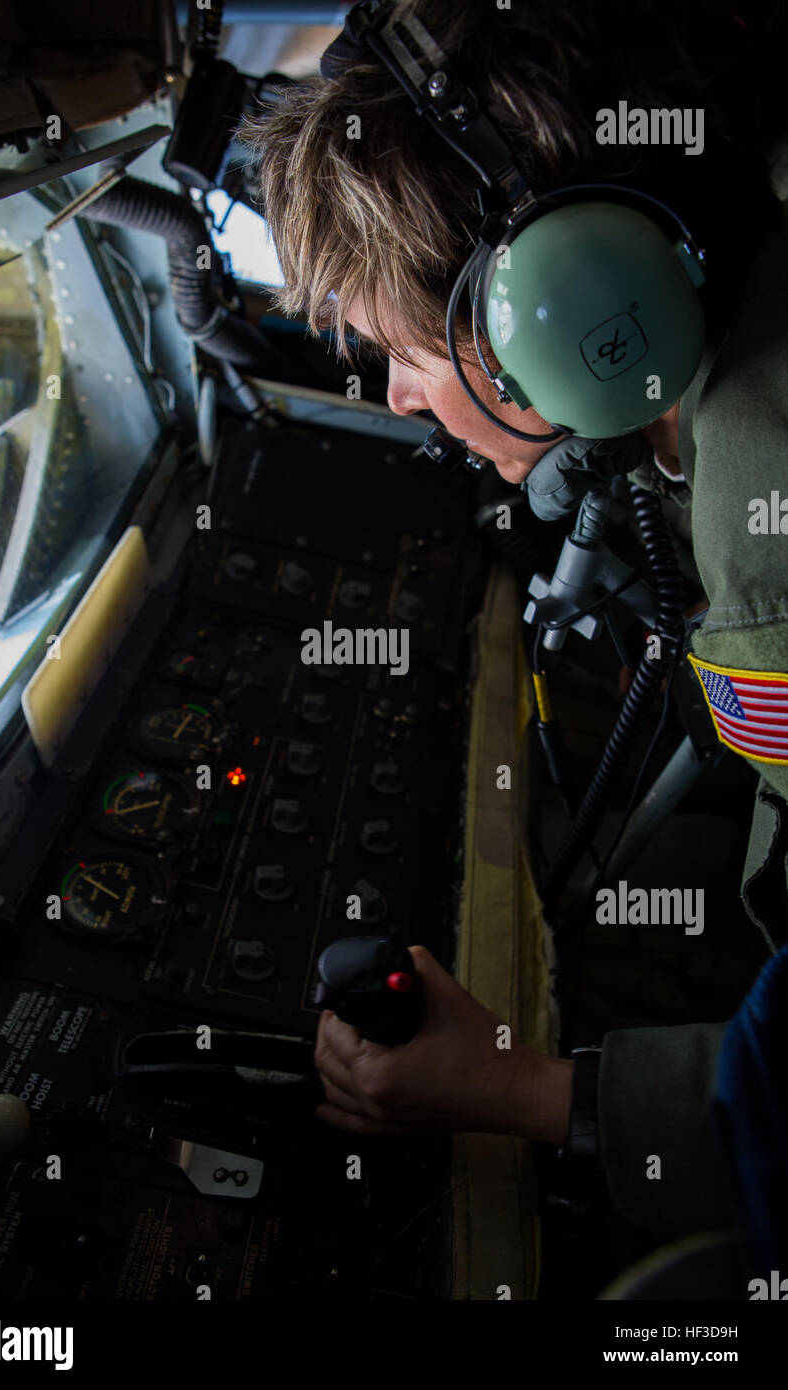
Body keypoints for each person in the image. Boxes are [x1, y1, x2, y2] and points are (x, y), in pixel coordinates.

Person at [237, 0, 788, 1251]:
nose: (392, 395)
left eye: (401, 352)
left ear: (556, 309)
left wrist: (516, 1090)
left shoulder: (768, 531)